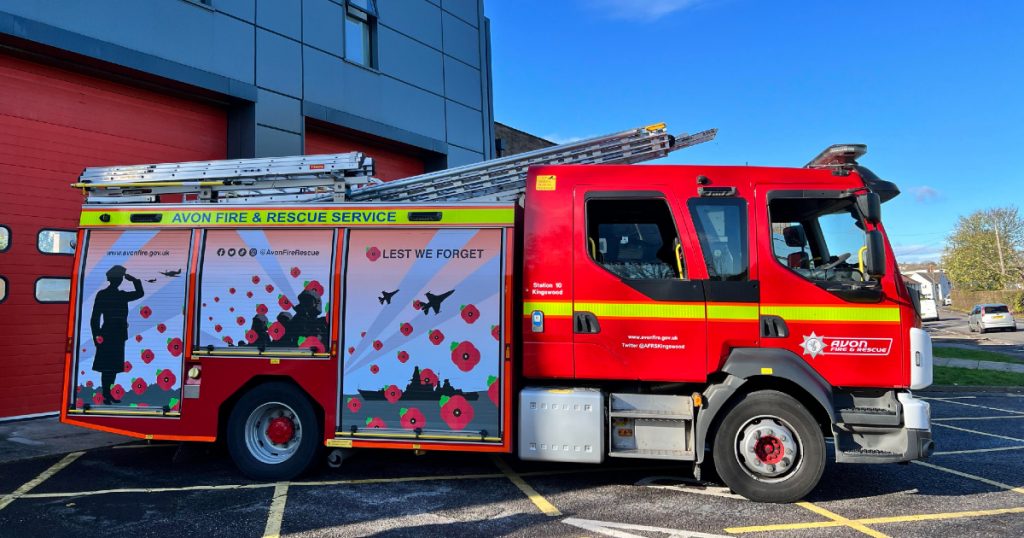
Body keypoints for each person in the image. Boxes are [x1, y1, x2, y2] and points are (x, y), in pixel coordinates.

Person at [90, 265, 144, 404]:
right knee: (109, 367)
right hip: (112, 334)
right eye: (120, 278)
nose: (120, 281)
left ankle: (107, 395)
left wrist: (97, 336)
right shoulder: (119, 295)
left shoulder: (106, 294)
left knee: (110, 367)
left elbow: (94, 319)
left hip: (111, 334)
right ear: (118, 280)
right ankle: (106, 395)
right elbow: (139, 293)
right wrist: (134, 280)